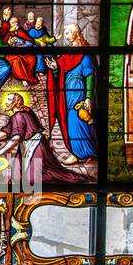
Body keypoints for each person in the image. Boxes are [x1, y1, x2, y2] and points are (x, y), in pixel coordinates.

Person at [46, 24, 96, 163]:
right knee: (69, 121)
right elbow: (60, 71)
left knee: (77, 122)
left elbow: (90, 76)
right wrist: (55, 69)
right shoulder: (67, 53)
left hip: (79, 94)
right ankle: (84, 153)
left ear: (75, 33)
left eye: (68, 33)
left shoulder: (85, 55)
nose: (66, 36)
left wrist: (87, 98)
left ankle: (81, 153)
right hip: (66, 93)